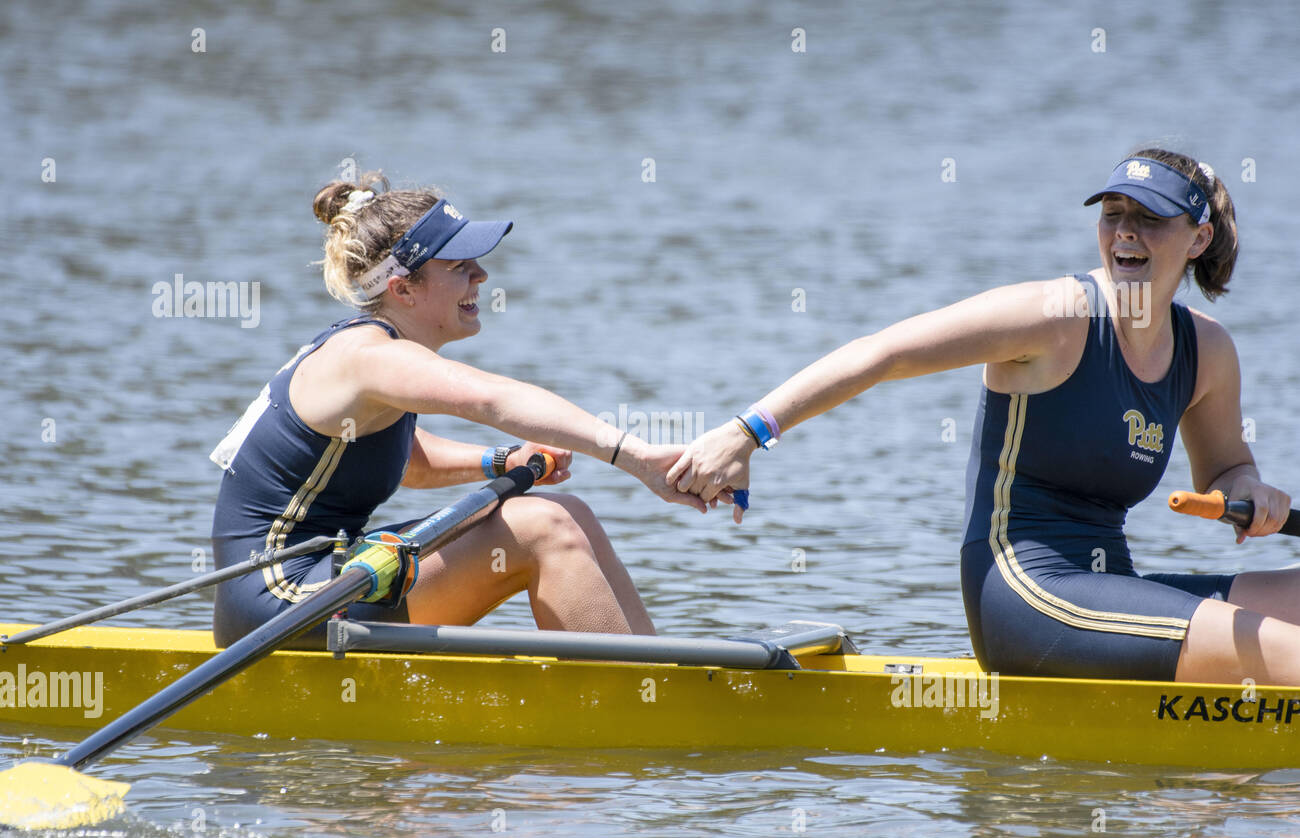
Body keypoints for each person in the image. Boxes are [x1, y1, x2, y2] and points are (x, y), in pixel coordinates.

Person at [667, 147, 1300, 685]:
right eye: (1113, 215)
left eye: (1149, 219)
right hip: (1024, 594)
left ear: (1198, 238)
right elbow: (882, 353)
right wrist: (745, 432)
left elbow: (1226, 469)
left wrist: (1247, 490)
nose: (1125, 231)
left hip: (1109, 584)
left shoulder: (1206, 350)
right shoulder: (1054, 317)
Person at [209, 172, 703, 648]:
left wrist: (499, 462)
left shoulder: (372, 356)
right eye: (458, 265)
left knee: (568, 509)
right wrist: (636, 457)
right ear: (403, 288)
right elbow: (492, 399)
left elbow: (411, 461)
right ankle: (633, 699)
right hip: (277, 599)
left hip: (330, 572)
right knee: (542, 528)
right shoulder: (368, 358)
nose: (481, 275)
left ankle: (662, 677)